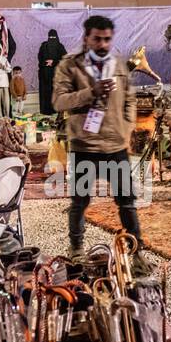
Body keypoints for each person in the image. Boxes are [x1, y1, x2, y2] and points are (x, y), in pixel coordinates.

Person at [52, 14, 142, 260]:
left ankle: (136, 253)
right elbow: (58, 101)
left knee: (126, 201)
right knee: (80, 200)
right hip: (85, 145)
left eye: (107, 39)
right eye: (97, 39)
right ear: (86, 38)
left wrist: (126, 128)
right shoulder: (70, 66)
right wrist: (90, 92)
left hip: (115, 144)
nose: (103, 44)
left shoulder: (119, 64)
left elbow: (130, 99)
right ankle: (77, 249)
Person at [37, 28, 66, 114]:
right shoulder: (43, 46)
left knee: (55, 91)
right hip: (44, 75)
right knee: (45, 92)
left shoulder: (60, 47)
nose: (52, 39)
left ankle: (56, 110)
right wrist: (46, 63)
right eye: (51, 37)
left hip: (56, 75)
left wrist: (53, 62)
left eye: (54, 37)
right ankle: (45, 111)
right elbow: (39, 58)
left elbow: (64, 59)